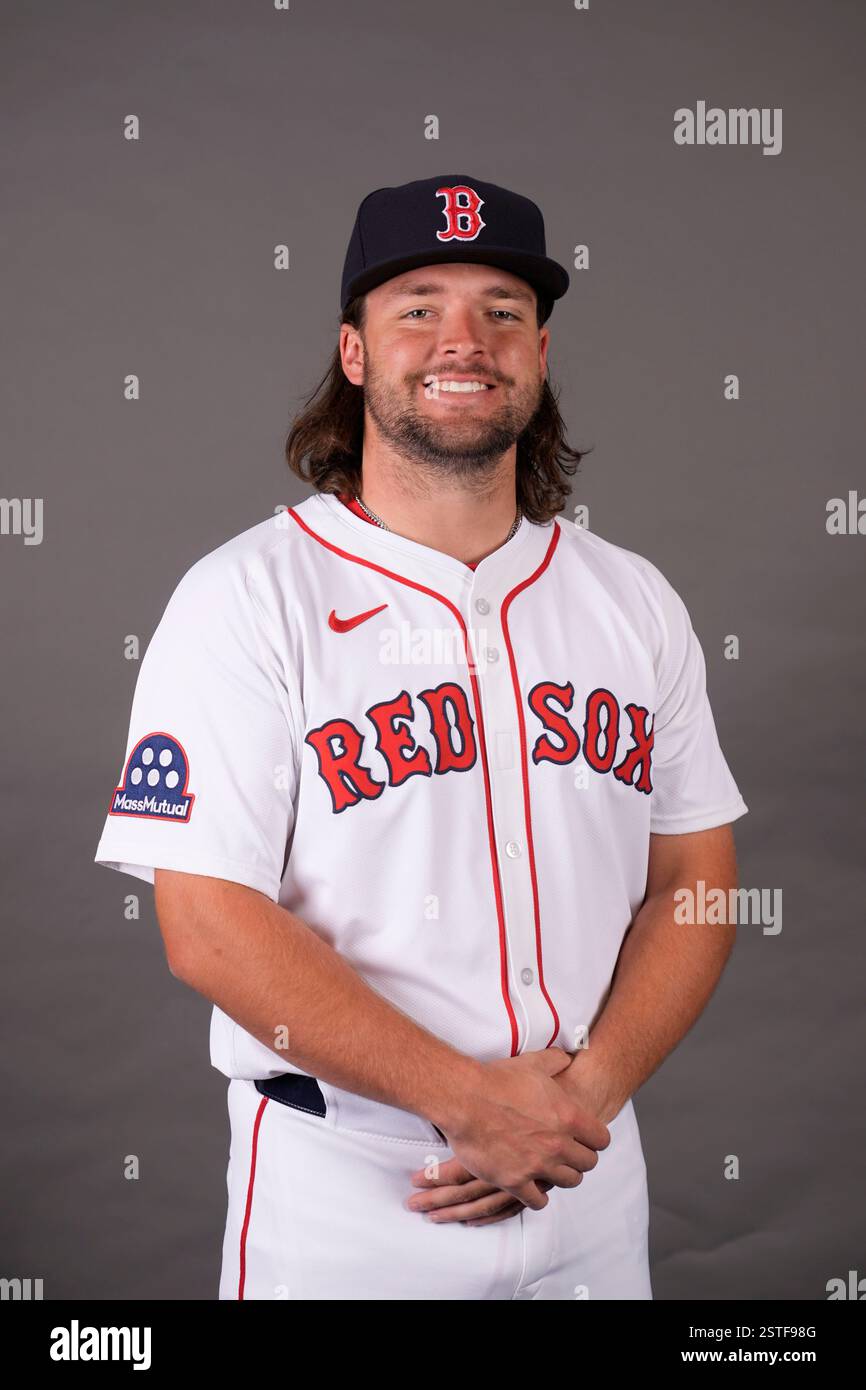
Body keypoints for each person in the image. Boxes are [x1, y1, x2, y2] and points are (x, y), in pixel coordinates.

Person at [94, 173, 748, 1300]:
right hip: (350, 1186)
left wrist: (576, 1104)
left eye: (501, 309)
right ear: (352, 352)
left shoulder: (630, 599)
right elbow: (205, 920)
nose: (464, 339)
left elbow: (696, 875)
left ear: (538, 355)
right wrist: (463, 1096)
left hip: (582, 1166)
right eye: (417, 306)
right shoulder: (246, 595)